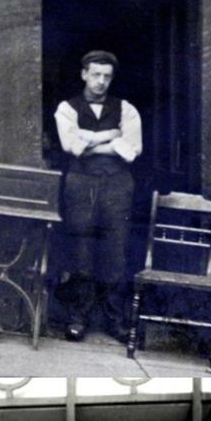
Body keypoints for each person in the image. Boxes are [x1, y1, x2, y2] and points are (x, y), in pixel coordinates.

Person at [51, 50, 142, 341]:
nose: (101, 82)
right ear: (84, 74)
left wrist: (88, 139)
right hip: (80, 184)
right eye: (95, 75)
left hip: (117, 184)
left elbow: (132, 150)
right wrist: (110, 137)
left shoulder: (126, 109)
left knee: (115, 251)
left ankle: (115, 319)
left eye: (106, 76)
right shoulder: (67, 108)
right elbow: (69, 145)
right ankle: (78, 317)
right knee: (81, 251)